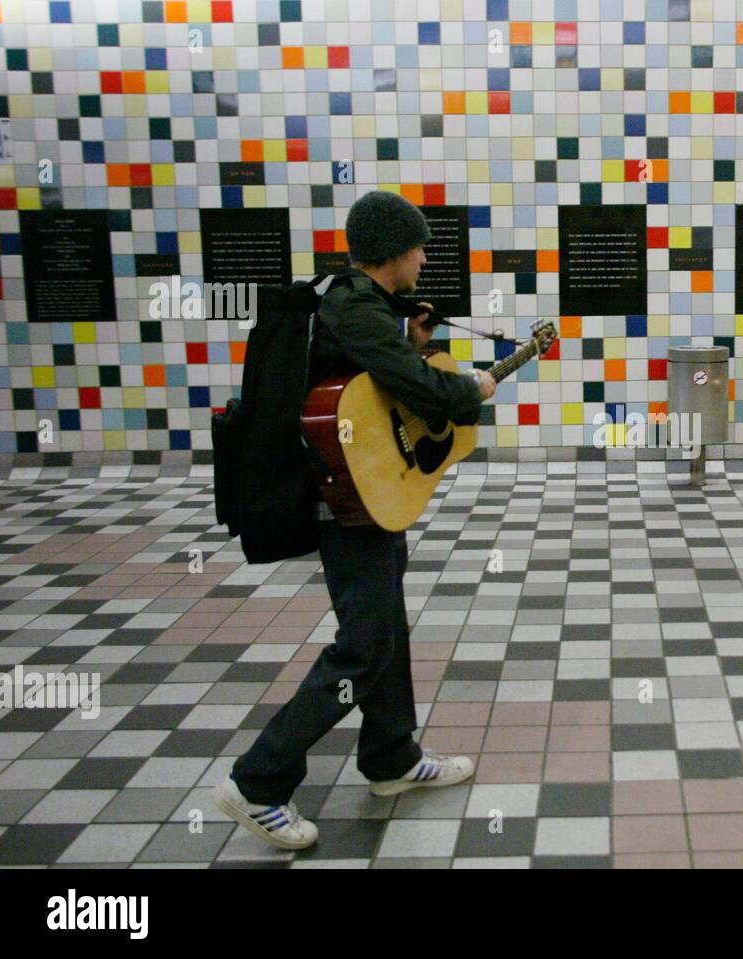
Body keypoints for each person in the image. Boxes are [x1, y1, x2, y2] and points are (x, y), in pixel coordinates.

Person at [214, 190, 497, 849]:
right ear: (395, 252)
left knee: (383, 623)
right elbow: (421, 388)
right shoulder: (355, 307)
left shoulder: (358, 305)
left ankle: (391, 756)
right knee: (364, 645)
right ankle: (258, 781)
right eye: (420, 246)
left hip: (364, 492)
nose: (426, 257)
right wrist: (470, 388)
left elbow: (375, 380)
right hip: (342, 502)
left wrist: (413, 341)